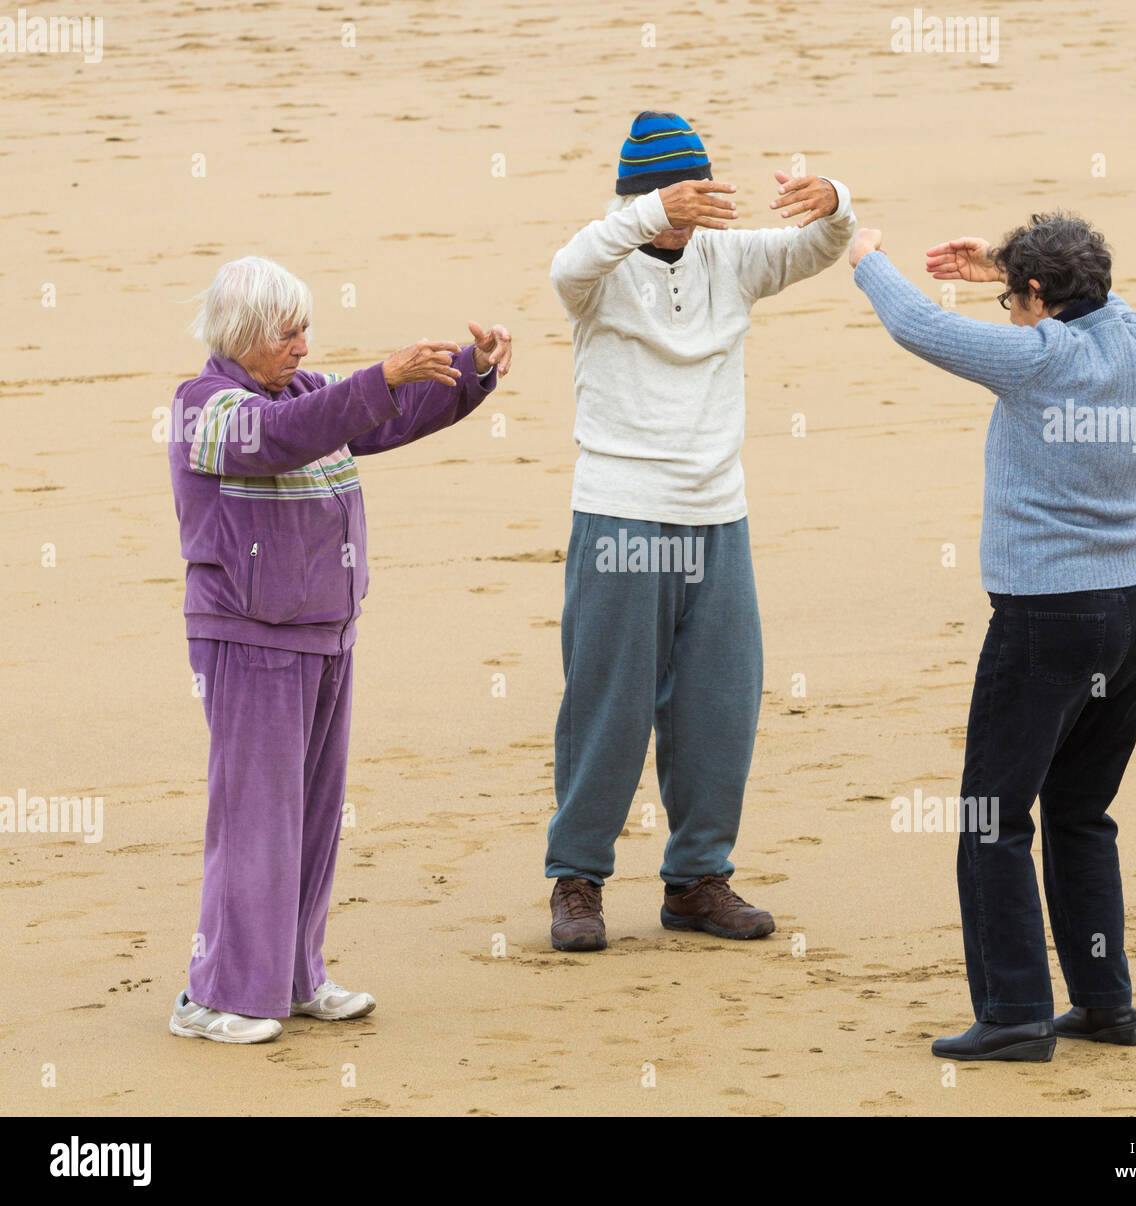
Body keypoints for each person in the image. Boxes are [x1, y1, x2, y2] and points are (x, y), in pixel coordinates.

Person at [167, 255, 511, 1042]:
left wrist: (472, 370)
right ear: (244, 333)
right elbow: (284, 439)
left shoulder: (311, 396)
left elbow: (384, 419)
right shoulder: (204, 407)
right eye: (287, 331)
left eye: (303, 329)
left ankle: (292, 978)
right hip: (248, 637)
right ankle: (216, 997)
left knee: (312, 819)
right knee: (256, 820)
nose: (300, 343)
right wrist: (377, 377)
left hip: (324, 631)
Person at [849, 214, 1136, 1061]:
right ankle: (1103, 1003)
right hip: (1132, 611)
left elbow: (922, 326)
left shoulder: (1038, 359)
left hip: (1046, 619)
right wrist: (1013, 268)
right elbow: (1094, 298)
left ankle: (1017, 1012)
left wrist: (864, 256)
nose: (1009, 311)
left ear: (1036, 299)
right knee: (1081, 812)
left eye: (1014, 297)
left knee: (993, 816)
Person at [546, 111, 857, 951]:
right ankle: (576, 881)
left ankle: (697, 881)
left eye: (699, 188)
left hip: (718, 510)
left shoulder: (734, 258)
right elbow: (566, 265)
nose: (692, 205)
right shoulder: (601, 266)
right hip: (621, 509)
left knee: (721, 701)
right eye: (674, 191)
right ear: (641, 197)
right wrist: (651, 213)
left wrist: (835, 203)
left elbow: (819, 248)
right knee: (609, 701)